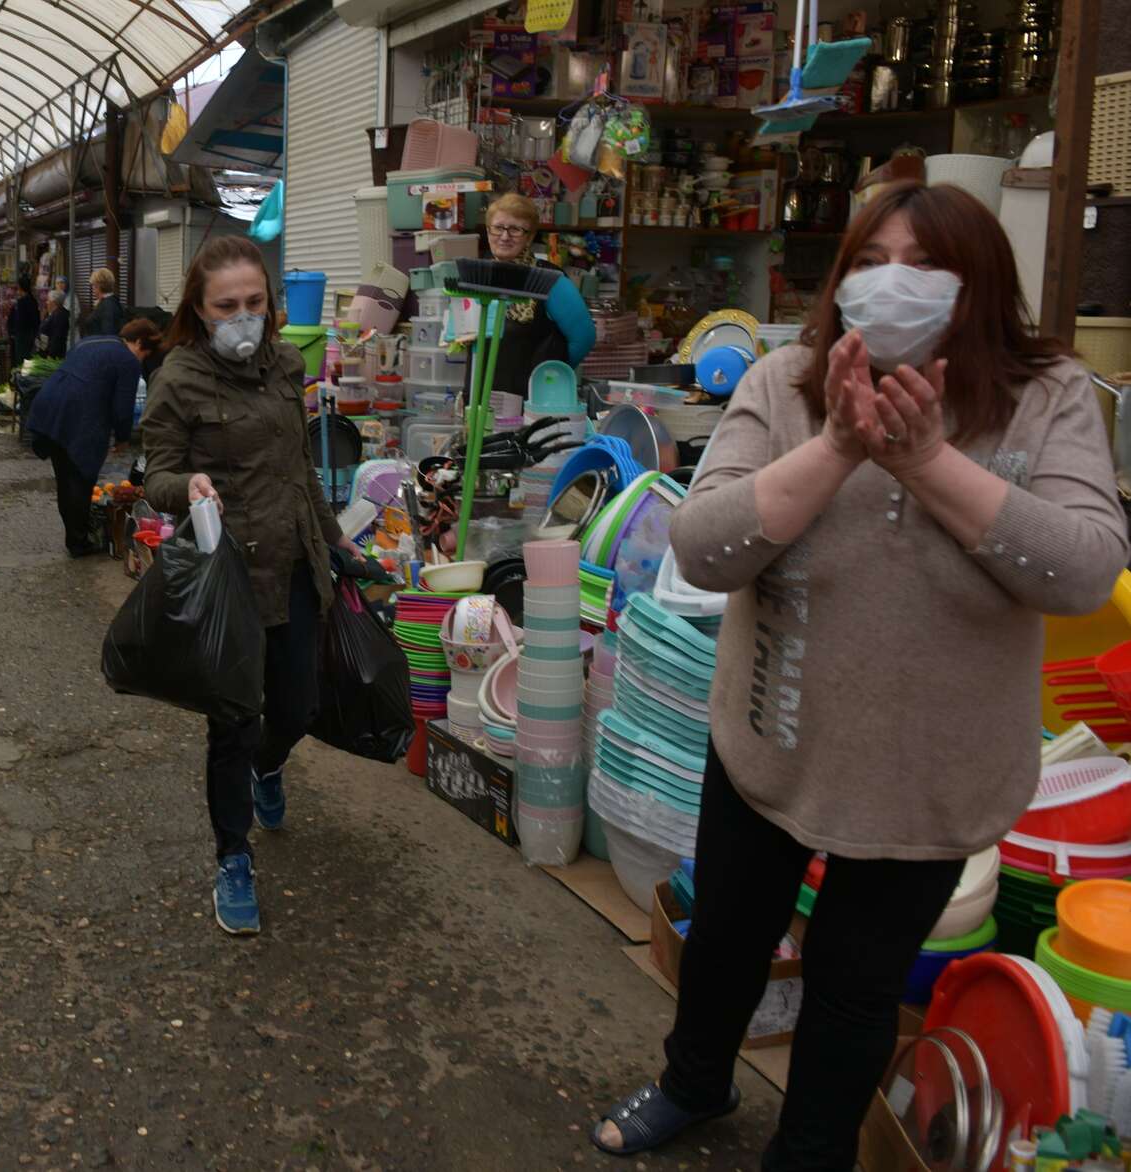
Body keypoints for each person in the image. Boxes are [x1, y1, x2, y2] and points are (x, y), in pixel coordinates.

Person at [592, 181, 1130, 1168]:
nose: (892, 283)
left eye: (922, 264)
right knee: (723, 942)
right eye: (871, 260)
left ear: (978, 285)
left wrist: (925, 461)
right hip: (771, 736)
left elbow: (1085, 563)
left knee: (851, 987)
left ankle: (807, 1150)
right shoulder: (784, 381)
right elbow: (704, 548)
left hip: (929, 773)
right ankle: (693, 1081)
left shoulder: (1040, 393)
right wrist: (840, 445)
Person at [139, 236, 359, 937]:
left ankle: (272, 765)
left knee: (295, 707)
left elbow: (300, 466)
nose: (242, 317)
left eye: (254, 304)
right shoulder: (179, 378)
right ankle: (232, 856)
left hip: (294, 566)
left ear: (271, 303)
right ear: (200, 312)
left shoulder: (289, 363)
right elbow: (155, 476)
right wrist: (188, 487)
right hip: (229, 573)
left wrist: (334, 537)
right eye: (225, 306)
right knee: (233, 720)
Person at [28, 318, 160, 556]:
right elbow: (123, 408)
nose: (142, 360)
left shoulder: (90, 341)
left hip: (49, 408)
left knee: (65, 478)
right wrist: (122, 438)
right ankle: (79, 543)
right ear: (139, 342)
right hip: (80, 418)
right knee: (81, 479)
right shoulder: (128, 361)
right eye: (145, 354)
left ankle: (74, 538)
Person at [482, 193, 595, 397]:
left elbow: (584, 338)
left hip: (532, 402)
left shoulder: (550, 280)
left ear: (530, 236)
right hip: (482, 398)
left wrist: (549, 377)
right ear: (488, 230)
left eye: (515, 229)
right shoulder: (478, 276)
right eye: (498, 227)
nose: (505, 237)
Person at [8, 274, 42, 368]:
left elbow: (18, 321)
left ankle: (21, 380)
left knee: (21, 361)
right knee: (28, 361)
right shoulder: (33, 301)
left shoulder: (22, 302)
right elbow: (36, 319)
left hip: (22, 336)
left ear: (20, 287)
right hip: (30, 335)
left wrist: (12, 332)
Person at [81, 266, 124, 338]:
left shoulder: (107, 305)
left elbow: (108, 333)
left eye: (93, 286)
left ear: (98, 286)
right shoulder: (109, 302)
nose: (93, 289)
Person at [40, 288, 71, 358]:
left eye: (48, 300)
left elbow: (57, 336)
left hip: (54, 354)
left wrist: (51, 354)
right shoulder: (53, 313)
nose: (46, 302)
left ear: (53, 302)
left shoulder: (59, 315)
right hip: (48, 350)